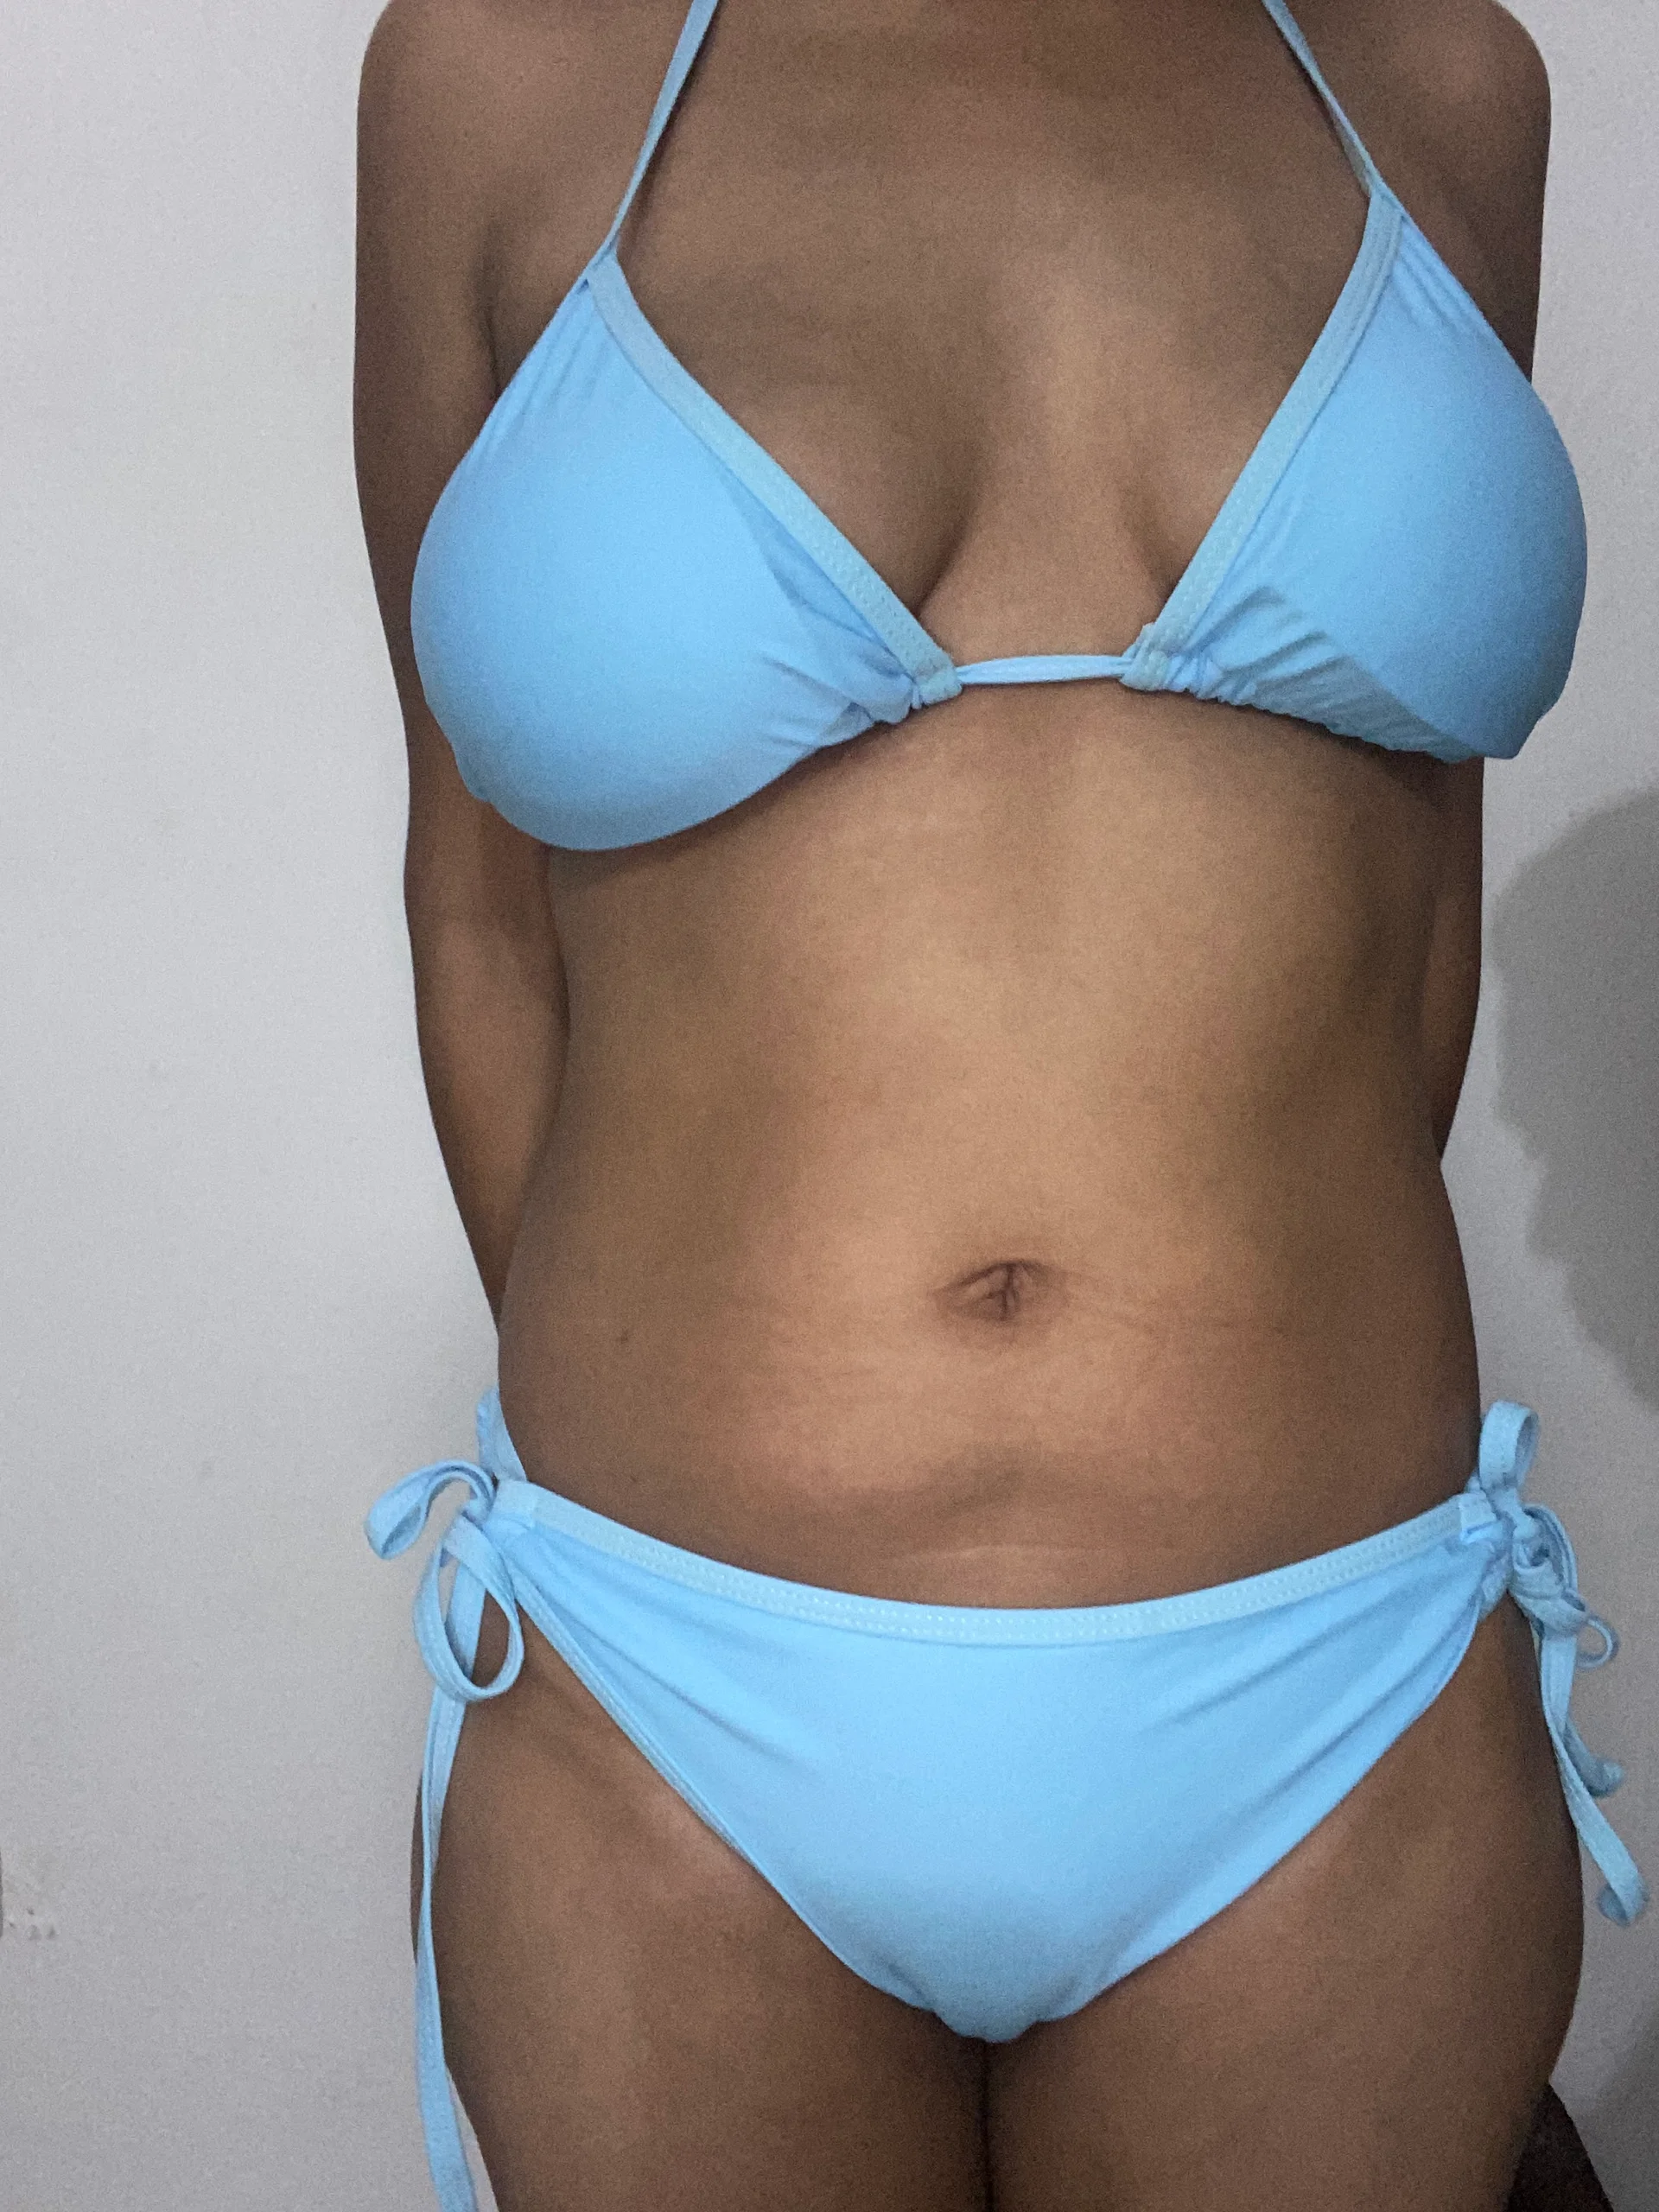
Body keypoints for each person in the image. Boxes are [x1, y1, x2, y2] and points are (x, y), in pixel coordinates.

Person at [353, 1, 1644, 2204]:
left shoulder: (1439, 78)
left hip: (1332, 1693)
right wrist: (721, 1437)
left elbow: (1408, 905)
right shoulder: (505, 70)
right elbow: (474, 908)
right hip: (677, 1694)